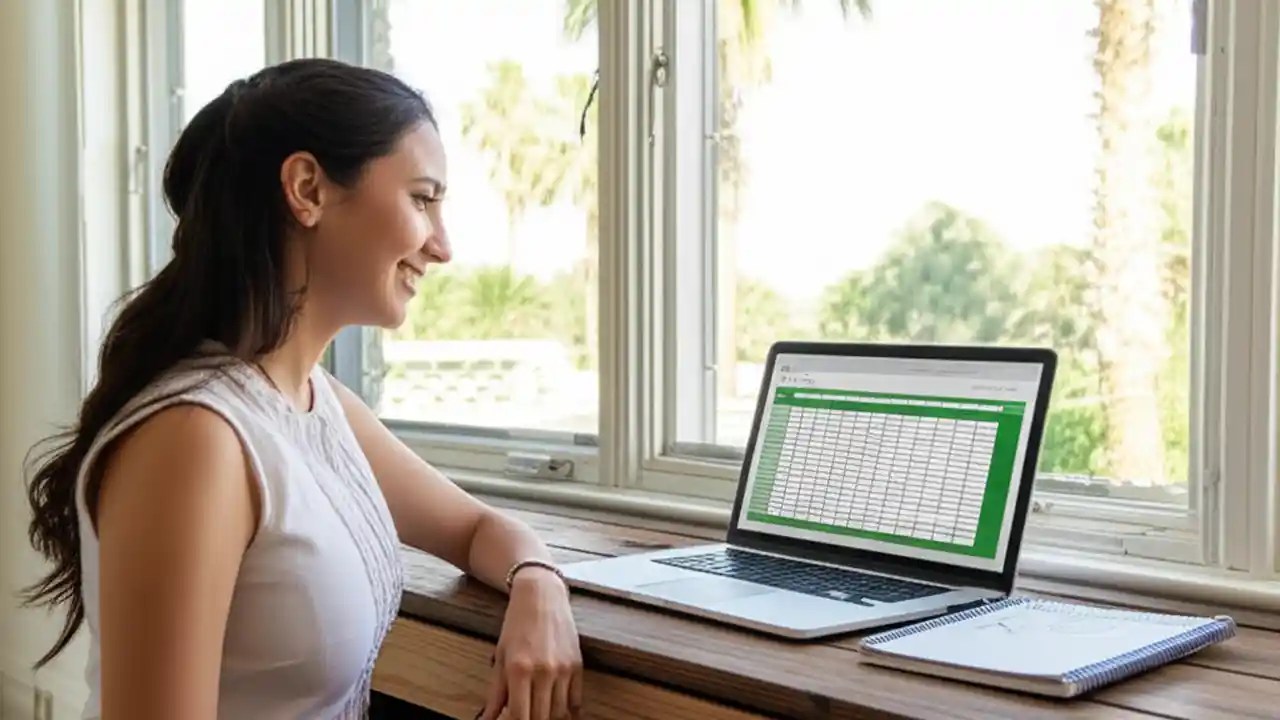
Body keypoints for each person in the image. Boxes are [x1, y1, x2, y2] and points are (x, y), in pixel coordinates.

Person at [21, 57, 582, 720]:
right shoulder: (196, 439)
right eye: (422, 198)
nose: (443, 245)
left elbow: (476, 529)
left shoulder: (313, 402)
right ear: (308, 189)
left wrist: (539, 585)